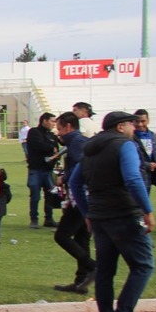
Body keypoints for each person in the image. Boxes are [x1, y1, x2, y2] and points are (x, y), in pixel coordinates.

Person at [69, 111, 155, 312]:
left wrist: (87, 213)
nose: (134, 128)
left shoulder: (89, 149)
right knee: (143, 266)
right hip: (125, 214)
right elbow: (133, 179)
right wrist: (147, 210)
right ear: (119, 127)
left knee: (106, 271)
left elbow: (75, 183)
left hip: (99, 217)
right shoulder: (124, 145)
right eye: (131, 124)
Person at [52, 112, 95, 294]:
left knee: (62, 235)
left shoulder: (77, 142)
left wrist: (65, 178)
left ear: (69, 127)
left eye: (60, 129)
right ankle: (81, 282)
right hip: (84, 197)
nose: (58, 133)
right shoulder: (77, 141)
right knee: (81, 238)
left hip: (81, 198)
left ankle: (93, 266)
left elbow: (80, 165)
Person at [25, 113, 59, 229]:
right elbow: (38, 145)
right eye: (52, 121)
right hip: (36, 169)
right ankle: (34, 219)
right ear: (44, 121)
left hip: (48, 170)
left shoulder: (52, 135)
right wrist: (51, 148)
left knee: (50, 195)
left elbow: (56, 149)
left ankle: (49, 219)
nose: (54, 124)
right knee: (35, 195)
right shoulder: (34, 132)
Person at [134, 109, 156, 190]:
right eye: (137, 121)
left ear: (148, 121)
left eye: (143, 121)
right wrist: (147, 165)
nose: (140, 124)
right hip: (137, 175)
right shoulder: (130, 137)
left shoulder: (152, 136)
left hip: (149, 176)